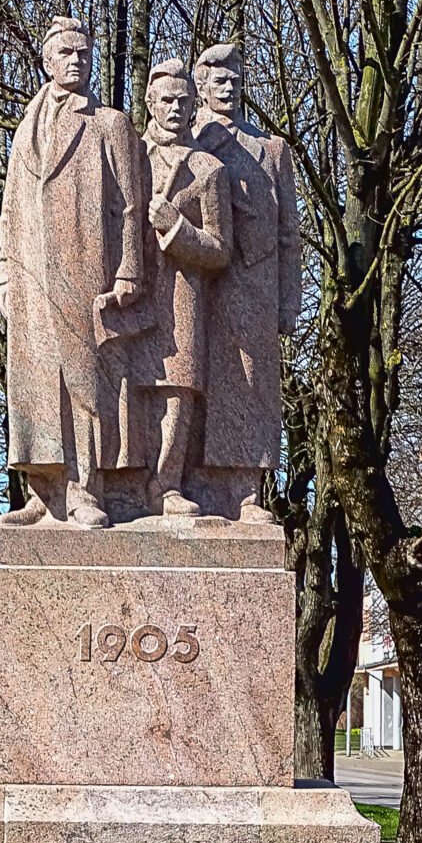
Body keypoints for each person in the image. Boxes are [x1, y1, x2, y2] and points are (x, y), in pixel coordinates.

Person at [0, 16, 151, 528]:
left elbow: (132, 204)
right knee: (38, 382)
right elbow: (12, 210)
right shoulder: (26, 127)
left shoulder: (109, 122)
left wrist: (130, 268)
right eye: (66, 51)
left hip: (87, 268)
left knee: (87, 382)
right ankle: (44, 492)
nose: (77, 60)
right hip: (30, 276)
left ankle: (86, 489)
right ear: (46, 60)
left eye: (84, 53)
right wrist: (4, 275)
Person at [191, 43, 302, 522]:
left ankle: (247, 493)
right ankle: (191, 485)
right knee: (194, 385)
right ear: (201, 86)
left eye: (235, 80)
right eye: (219, 81)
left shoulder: (270, 151)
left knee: (251, 384)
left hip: (253, 287)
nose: (229, 88)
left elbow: (288, 235)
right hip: (198, 283)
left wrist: (288, 301)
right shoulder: (185, 142)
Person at [138, 59, 231, 516]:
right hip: (135, 290)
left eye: (183, 101)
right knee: (133, 387)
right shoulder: (130, 154)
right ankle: (129, 484)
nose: (175, 109)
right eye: (166, 101)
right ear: (150, 104)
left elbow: (220, 248)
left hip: (182, 294)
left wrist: (176, 229)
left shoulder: (209, 169)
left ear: (195, 107)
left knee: (178, 389)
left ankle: (167, 484)